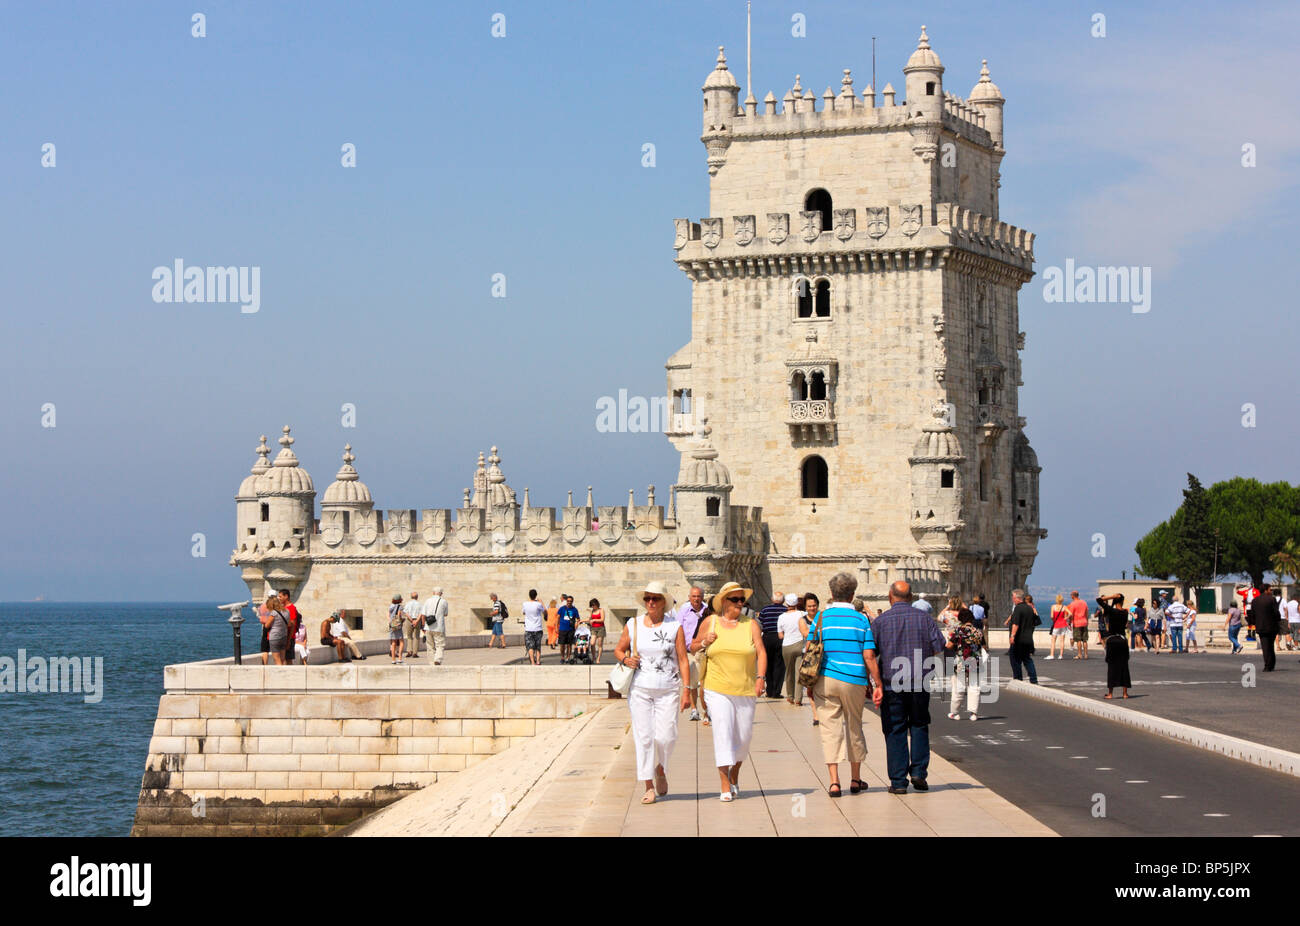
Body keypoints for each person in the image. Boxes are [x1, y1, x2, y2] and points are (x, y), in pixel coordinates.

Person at [614, 581, 691, 804]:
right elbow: (619, 649)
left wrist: (687, 690)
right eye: (647, 598)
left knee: (667, 736)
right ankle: (648, 785)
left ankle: (661, 768)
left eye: (655, 598)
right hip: (640, 689)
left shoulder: (674, 627)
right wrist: (626, 659)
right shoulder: (634, 624)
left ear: (663, 602)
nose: (650, 602)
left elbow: (683, 660)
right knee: (644, 737)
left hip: (668, 689)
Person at [810, 572, 883, 796]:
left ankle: (834, 782)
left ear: (831, 594)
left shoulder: (820, 618)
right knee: (854, 726)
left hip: (826, 678)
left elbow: (810, 650)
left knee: (830, 729)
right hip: (854, 680)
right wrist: (877, 683)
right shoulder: (861, 619)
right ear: (852, 595)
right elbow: (869, 655)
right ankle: (855, 779)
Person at [692, 581, 766, 801]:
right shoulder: (711, 622)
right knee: (722, 731)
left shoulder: (750, 624)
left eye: (742, 600)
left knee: (743, 738)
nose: (740, 603)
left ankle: (734, 773)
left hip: (745, 688)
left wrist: (761, 678)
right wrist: (705, 641)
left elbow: (761, 652)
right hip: (717, 688)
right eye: (735, 599)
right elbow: (692, 646)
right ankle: (724, 782)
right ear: (724, 602)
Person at [873, 580, 946, 794]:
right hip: (919, 681)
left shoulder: (880, 622)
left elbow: (871, 653)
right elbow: (938, 647)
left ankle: (898, 782)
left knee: (895, 729)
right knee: (919, 724)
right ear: (911, 597)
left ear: (890, 596)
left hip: (891, 683)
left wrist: (874, 681)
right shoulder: (925, 619)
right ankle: (919, 772)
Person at [673, 586, 710, 722]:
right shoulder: (684, 611)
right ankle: (694, 710)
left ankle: (707, 710)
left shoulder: (707, 610)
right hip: (688, 652)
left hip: (703, 650)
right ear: (689, 597)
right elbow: (678, 629)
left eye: (698, 596)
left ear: (702, 597)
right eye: (693, 596)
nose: (696, 599)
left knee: (705, 684)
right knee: (692, 683)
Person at [944, 602, 983, 721]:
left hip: (961, 661)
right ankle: (973, 713)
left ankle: (955, 712)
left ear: (960, 619)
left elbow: (949, 645)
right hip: (975, 661)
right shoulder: (978, 632)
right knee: (974, 687)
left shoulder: (959, 631)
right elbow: (984, 646)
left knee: (958, 688)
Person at [1097, 594, 1131, 698]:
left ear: (1115, 601)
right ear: (1122, 601)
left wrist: (1111, 597)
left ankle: (1110, 693)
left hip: (1112, 640)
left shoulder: (1111, 611)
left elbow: (1099, 600)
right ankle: (1125, 693)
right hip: (1122, 640)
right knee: (1124, 666)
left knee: (1112, 666)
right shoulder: (1125, 612)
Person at [777, 593, 807, 705]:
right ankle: (798, 699)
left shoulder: (781, 617)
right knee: (799, 673)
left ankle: (790, 696)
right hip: (800, 645)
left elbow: (780, 635)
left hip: (787, 646)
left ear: (786, 603)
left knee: (789, 672)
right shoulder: (802, 614)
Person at [758, 593, 787, 700]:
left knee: (768, 664)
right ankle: (776, 692)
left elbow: (760, 623)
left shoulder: (765, 610)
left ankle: (769, 690)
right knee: (779, 665)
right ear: (783, 600)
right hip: (781, 638)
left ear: (772, 599)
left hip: (767, 638)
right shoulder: (786, 610)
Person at [801, 592, 822, 726]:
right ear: (805, 607)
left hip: (821, 655)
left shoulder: (823, 617)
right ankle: (816, 715)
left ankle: (820, 713)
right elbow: (807, 636)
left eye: (814, 606)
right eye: (809, 606)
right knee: (810, 689)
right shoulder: (803, 620)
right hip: (811, 655)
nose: (812, 608)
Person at [1253, 584, 1281, 672]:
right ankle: (1271, 664)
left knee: (1265, 646)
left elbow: (1252, 614)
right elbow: (1276, 613)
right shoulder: (1272, 599)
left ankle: (1267, 665)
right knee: (1271, 645)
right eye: (1270, 589)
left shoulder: (1255, 600)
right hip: (1272, 626)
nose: (1271, 591)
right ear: (1266, 590)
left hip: (1261, 626)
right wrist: (1278, 620)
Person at [260, 594, 290, 666]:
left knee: (277, 659)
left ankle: (280, 674)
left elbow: (267, 625)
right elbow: (288, 623)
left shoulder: (274, 613)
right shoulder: (287, 611)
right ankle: (285, 673)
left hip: (275, 637)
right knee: (283, 658)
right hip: (284, 636)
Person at [421, 588, 449, 665]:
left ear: (433, 593)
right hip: (439, 627)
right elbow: (445, 614)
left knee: (430, 646)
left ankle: (431, 662)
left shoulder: (427, 601)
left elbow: (423, 614)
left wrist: (423, 626)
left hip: (428, 626)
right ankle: (438, 659)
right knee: (440, 645)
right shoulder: (444, 601)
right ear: (441, 593)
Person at [521, 589, 545, 666]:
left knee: (530, 646)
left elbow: (523, 612)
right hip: (538, 628)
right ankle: (538, 661)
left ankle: (532, 662)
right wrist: (541, 602)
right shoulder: (538, 604)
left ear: (529, 595)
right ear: (536, 595)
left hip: (528, 628)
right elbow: (545, 611)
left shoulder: (525, 604)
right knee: (538, 646)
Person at [277, 589, 300, 664]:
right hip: (283, 637)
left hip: (288, 638)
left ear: (286, 596)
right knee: (283, 658)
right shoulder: (283, 608)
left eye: (280, 596)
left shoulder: (291, 608)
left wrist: (289, 640)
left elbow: (293, 625)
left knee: (288, 659)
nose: (279, 598)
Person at [557, 594, 580, 664]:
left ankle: (568, 657)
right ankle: (562, 657)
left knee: (569, 645)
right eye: (568, 601)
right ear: (566, 601)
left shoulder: (574, 609)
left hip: (570, 629)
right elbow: (557, 618)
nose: (569, 602)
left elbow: (578, 619)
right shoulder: (562, 608)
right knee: (562, 644)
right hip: (562, 629)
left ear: (572, 602)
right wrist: (556, 627)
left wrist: (576, 625)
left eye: (570, 601)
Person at [1047, 594, 1069, 660]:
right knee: (1062, 640)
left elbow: (1051, 616)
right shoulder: (1064, 607)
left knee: (1053, 640)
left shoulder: (1053, 606)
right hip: (1063, 625)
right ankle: (1061, 655)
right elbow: (1070, 613)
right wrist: (1065, 619)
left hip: (1056, 624)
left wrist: (1054, 620)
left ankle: (1052, 655)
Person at [402, 591, 422, 658]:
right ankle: (415, 653)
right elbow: (421, 613)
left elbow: (406, 613)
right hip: (417, 620)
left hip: (409, 620)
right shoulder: (419, 604)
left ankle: (409, 651)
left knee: (409, 636)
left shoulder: (408, 603)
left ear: (411, 597)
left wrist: (411, 620)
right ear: (417, 597)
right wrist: (416, 621)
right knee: (416, 636)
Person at [588, 598, 607, 665]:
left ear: (596, 604)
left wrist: (594, 620)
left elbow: (602, 619)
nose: (593, 607)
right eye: (592, 606)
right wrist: (589, 620)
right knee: (592, 643)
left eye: (593, 605)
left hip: (600, 628)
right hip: (593, 628)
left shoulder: (601, 610)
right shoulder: (592, 611)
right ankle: (594, 657)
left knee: (599, 644)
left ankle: (598, 658)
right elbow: (590, 619)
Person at [388, 594, 406, 663]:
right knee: (401, 641)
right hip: (397, 625)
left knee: (393, 642)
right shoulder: (400, 607)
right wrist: (402, 620)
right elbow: (399, 615)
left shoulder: (391, 606)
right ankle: (400, 658)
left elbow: (389, 615)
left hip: (391, 625)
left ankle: (393, 659)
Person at [257, 597, 272, 666]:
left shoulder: (262, 606)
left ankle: (265, 665)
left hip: (265, 627)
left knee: (265, 649)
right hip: (273, 627)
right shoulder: (274, 607)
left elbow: (259, 616)